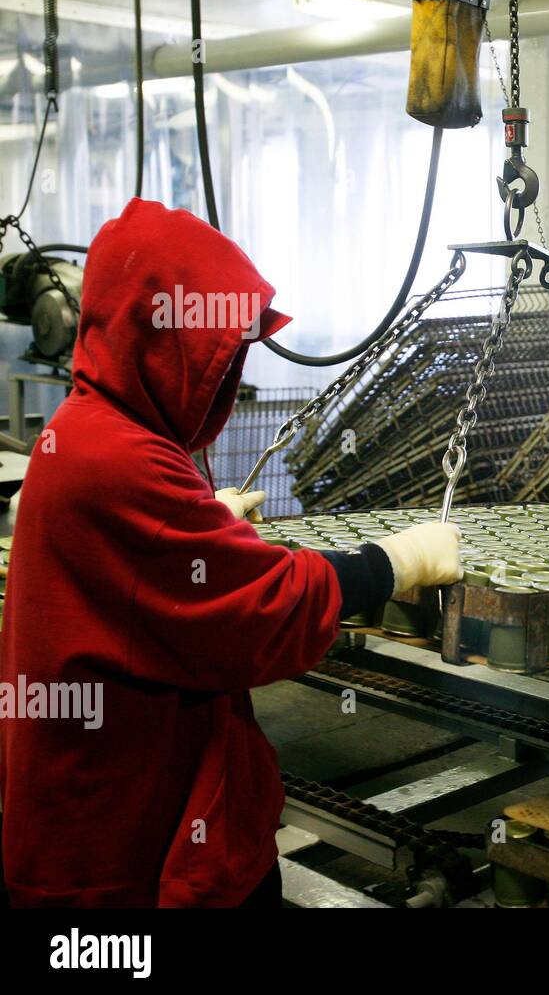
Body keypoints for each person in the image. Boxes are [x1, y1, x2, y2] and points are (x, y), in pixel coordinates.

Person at [0, 199, 462, 907]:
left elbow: (140, 582)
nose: (222, 377)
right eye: (212, 352)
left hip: (114, 804)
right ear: (159, 338)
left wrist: (197, 524)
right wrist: (393, 563)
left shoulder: (93, 430)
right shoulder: (117, 459)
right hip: (124, 852)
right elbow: (257, 611)